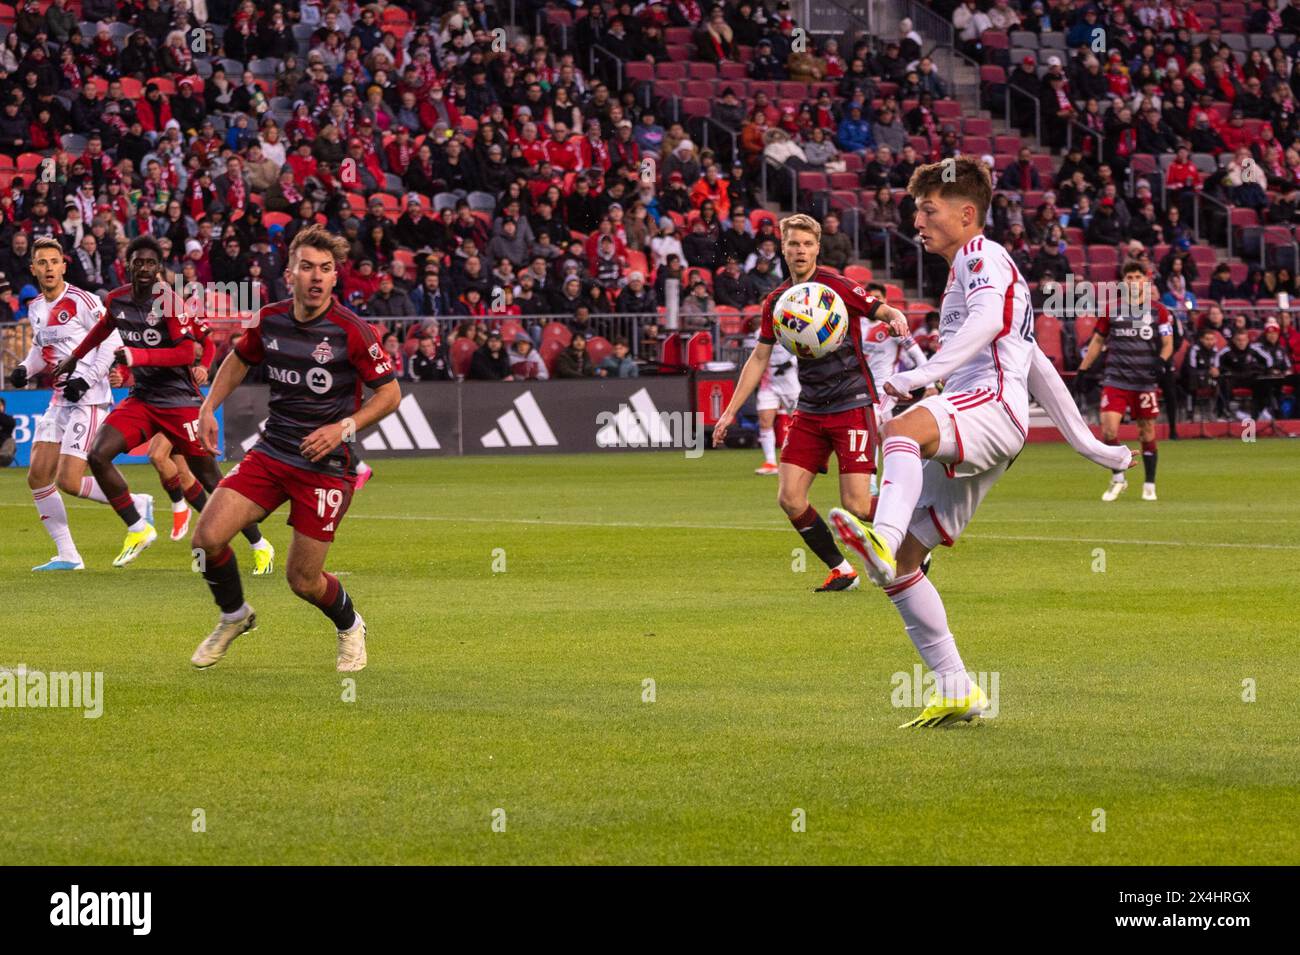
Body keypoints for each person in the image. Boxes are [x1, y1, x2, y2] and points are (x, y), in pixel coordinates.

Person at [828, 157, 1132, 727]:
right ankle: (958, 688)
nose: (917, 219)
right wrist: (1096, 448)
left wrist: (919, 377)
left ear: (967, 214)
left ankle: (883, 534)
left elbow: (990, 322)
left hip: (987, 405)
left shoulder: (981, 257)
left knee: (901, 431)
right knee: (902, 568)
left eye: (928, 209)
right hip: (999, 424)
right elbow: (1039, 366)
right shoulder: (979, 268)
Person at [186, 225, 402, 672]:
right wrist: (208, 407)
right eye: (307, 267)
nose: (316, 276)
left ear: (336, 277)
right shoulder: (270, 319)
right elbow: (240, 359)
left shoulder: (352, 331)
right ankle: (234, 615)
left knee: (302, 580)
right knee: (206, 539)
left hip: (326, 466)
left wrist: (343, 427)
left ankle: (350, 624)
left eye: (325, 269)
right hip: (273, 451)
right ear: (290, 273)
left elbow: (390, 394)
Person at [712, 213, 911, 593]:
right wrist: (731, 411)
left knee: (855, 504)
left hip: (852, 402)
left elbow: (879, 308)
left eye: (807, 244)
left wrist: (896, 314)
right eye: (793, 244)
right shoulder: (778, 301)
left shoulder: (836, 286)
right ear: (783, 249)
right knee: (789, 497)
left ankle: (914, 536)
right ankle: (841, 569)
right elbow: (759, 357)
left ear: (817, 248)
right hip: (811, 407)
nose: (800, 250)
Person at [59, 238, 276, 570]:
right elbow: (102, 329)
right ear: (127, 264)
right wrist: (74, 358)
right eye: (138, 262)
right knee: (98, 454)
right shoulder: (117, 300)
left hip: (180, 401)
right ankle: (137, 527)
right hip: (143, 399)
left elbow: (189, 353)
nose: (144, 268)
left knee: (210, 478)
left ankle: (260, 544)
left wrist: (137, 355)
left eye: (150, 263)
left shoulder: (170, 303)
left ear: (158, 268)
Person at [10, 236, 149, 571]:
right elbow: (40, 352)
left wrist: (86, 379)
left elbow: (112, 340)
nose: (48, 268)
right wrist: (23, 369)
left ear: (63, 266)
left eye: (53, 262)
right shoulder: (36, 309)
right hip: (59, 400)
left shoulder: (83, 300)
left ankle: (135, 504)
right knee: (38, 476)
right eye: (41, 262)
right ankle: (68, 555)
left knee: (69, 481)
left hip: (88, 399)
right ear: (33, 269)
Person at [1076, 260, 1174, 502]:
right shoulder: (1111, 310)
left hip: (1144, 380)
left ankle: (1149, 484)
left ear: (1145, 281)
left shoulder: (1159, 311)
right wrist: (1082, 369)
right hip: (1116, 379)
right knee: (1108, 429)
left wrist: (1162, 360)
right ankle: (1118, 477)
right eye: (1129, 277)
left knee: (1147, 431)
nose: (1133, 281)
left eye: (1137, 277)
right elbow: (1098, 342)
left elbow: (1168, 342)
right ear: (1123, 282)